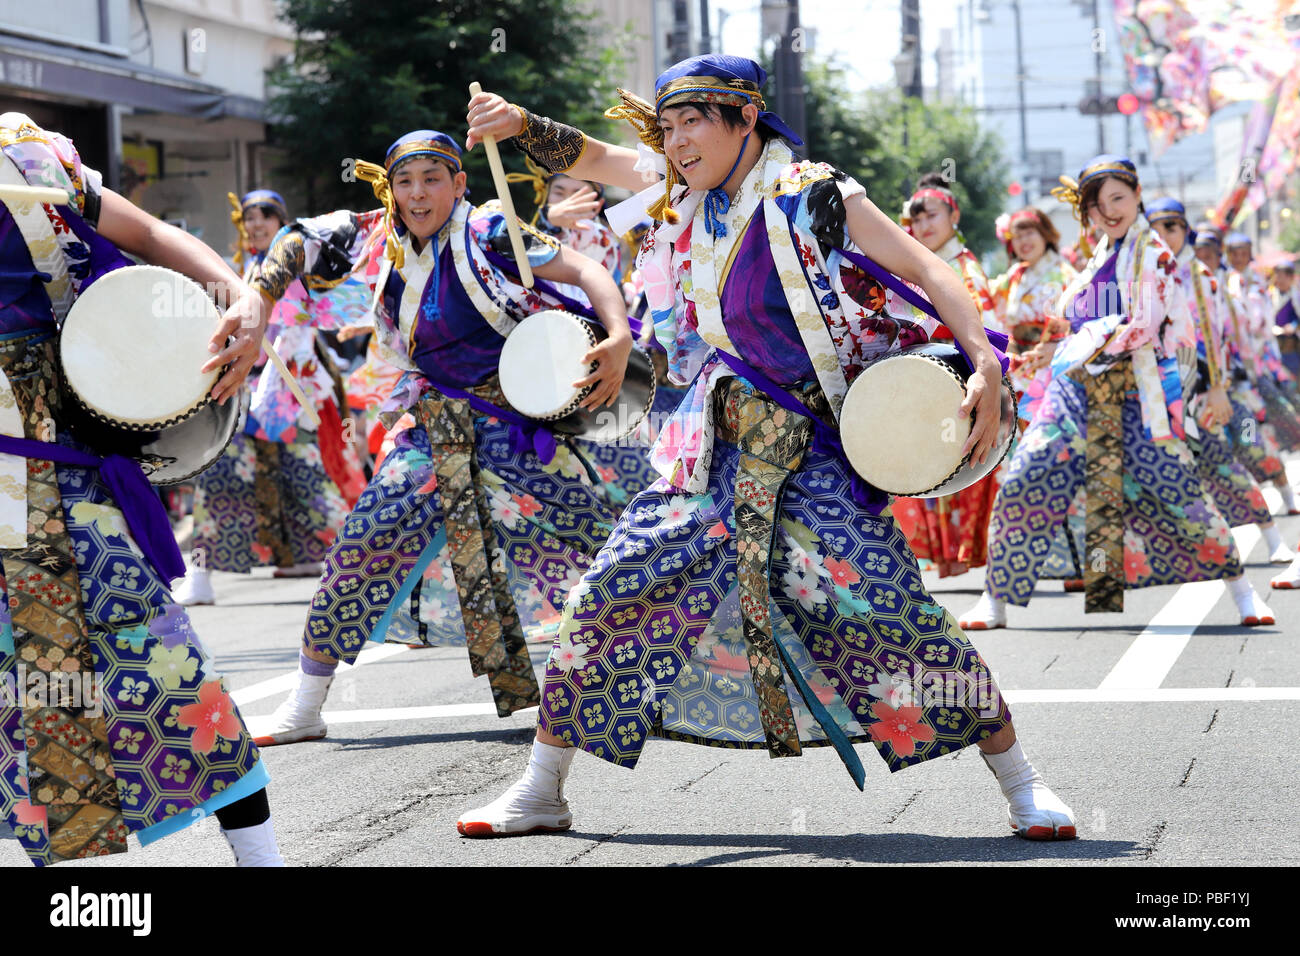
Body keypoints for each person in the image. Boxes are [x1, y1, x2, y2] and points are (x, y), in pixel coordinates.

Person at [455, 55, 1076, 842]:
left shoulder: (812, 192)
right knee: (610, 598)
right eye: (669, 127)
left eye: (693, 124)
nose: (677, 144)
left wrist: (985, 359)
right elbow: (594, 158)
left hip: (815, 454)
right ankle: (542, 790)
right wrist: (517, 126)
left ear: (745, 118)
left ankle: (1023, 786)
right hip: (710, 451)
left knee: (892, 612)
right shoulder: (684, 192)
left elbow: (924, 266)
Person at [249, 130, 633, 745]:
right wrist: (255, 301)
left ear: (459, 184)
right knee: (360, 548)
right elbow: (297, 241)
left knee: (601, 552)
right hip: (434, 429)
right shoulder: (378, 238)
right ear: (391, 190)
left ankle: (653, 681)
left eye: (433, 178)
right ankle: (305, 705)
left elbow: (584, 267)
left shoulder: (491, 233)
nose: (418, 192)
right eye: (405, 180)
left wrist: (617, 336)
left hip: (519, 425)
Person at [0, 113, 282, 865]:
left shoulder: (25, 157)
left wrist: (236, 291)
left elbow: (151, 236)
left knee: (159, 661)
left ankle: (262, 859)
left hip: (57, 462)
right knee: (20, 700)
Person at [960, 156, 1273, 630]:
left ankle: (1244, 592)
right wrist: (1049, 353)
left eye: (1118, 199)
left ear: (1137, 195)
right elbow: (1068, 323)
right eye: (1096, 205)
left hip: (1134, 393)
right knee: (1025, 475)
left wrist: (1083, 345)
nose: (1109, 211)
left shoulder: (1155, 255)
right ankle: (995, 600)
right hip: (1075, 394)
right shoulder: (1096, 258)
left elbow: (1145, 325)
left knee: (1178, 490)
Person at [172, 190, 366, 606]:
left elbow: (304, 322)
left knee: (310, 482)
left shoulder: (294, 268)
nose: (257, 224)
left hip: (290, 389)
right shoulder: (235, 270)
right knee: (218, 477)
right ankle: (201, 575)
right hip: (243, 391)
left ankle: (369, 564)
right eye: (250, 217)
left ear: (282, 222)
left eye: (266, 216)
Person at [1147, 199, 1291, 562]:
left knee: (1237, 452)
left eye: (1171, 227)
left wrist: (1217, 388)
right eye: (1156, 228)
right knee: (1168, 469)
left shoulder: (1198, 275)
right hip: (1158, 383)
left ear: (1185, 232)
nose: (1163, 235)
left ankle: (1275, 536)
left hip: (1209, 383)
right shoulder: (1148, 270)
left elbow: (1213, 334)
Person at [890, 174, 1006, 579]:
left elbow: (985, 325)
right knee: (936, 462)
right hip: (933, 373)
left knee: (963, 462)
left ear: (954, 216)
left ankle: (968, 558)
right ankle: (946, 557)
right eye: (917, 220)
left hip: (966, 374)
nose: (924, 227)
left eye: (933, 216)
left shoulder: (964, 268)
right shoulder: (923, 263)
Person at [1270, 260, 1298, 377]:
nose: (1279, 280)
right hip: (1273, 342)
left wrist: (1293, 325)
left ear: (1291, 277)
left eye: (1283, 276)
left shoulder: (1296, 296)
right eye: (1278, 276)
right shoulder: (1270, 295)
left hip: (1291, 343)